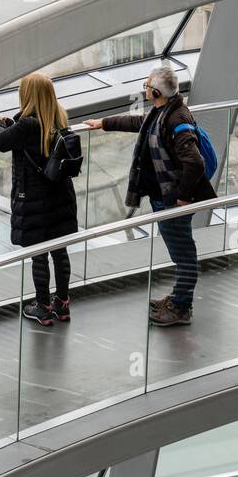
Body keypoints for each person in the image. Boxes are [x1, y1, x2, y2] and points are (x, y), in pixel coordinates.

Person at [85, 63, 215, 327]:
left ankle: (181, 307)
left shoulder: (177, 119)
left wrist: (182, 197)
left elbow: (195, 162)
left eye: (146, 86)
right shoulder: (163, 111)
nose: (144, 89)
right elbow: (139, 123)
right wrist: (104, 123)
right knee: (179, 248)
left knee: (183, 252)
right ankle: (179, 298)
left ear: (156, 92)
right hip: (164, 196)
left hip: (172, 199)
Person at [0, 72, 78, 327]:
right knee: (60, 252)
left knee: (39, 255)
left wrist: (0, 123)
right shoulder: (59, 118)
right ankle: (62, 304)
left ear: (26, 95)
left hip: (34, 200)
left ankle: (42, 306)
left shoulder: (27, 125)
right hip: (61, 197)